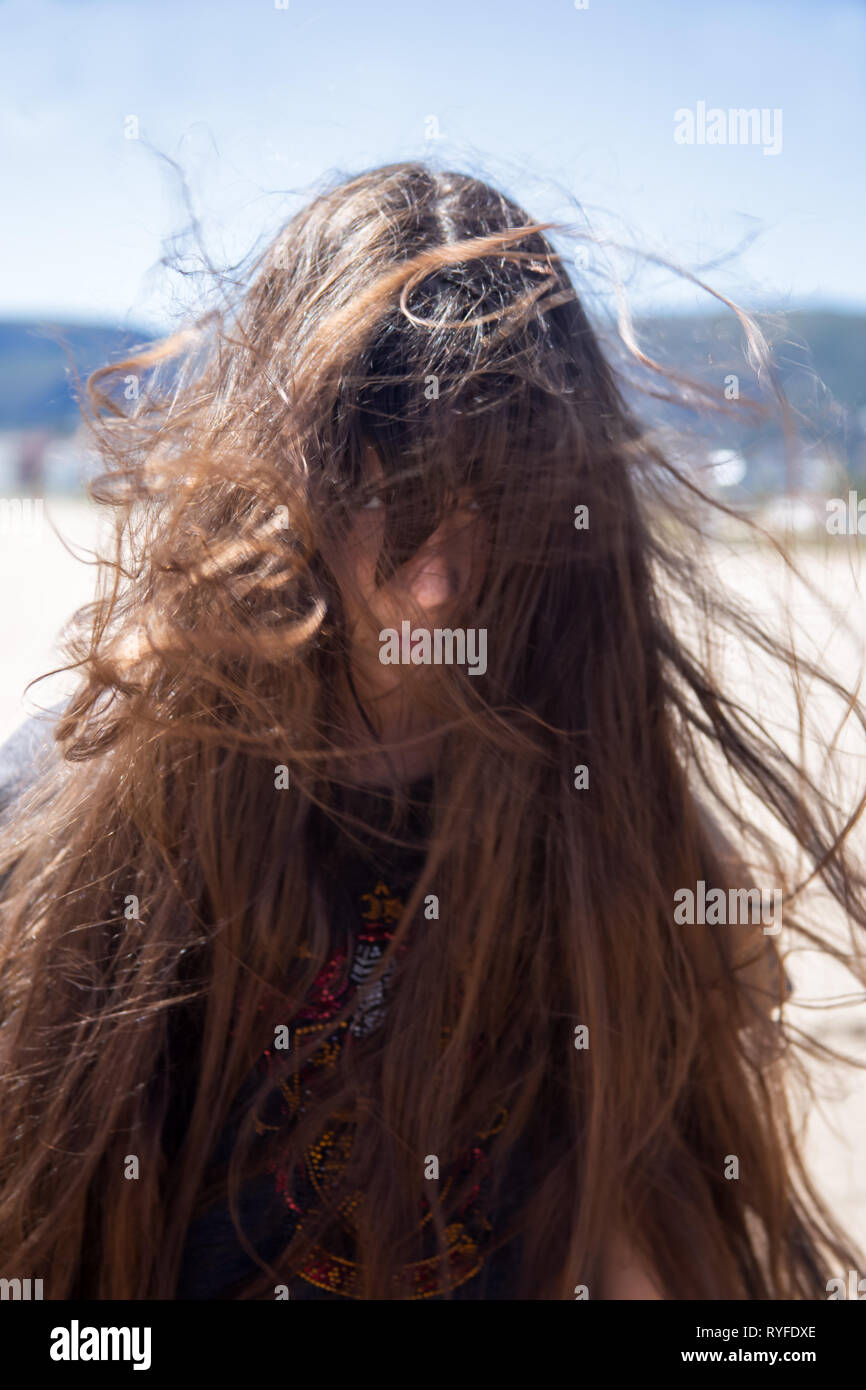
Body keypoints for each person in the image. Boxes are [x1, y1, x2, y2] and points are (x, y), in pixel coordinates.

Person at [0, 161, 863, 1300]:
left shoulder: (599, 793)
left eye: (491, 510)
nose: (436, 583)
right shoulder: (84, 787)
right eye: (391, 500)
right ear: (286, 475)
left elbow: (642, 1160)